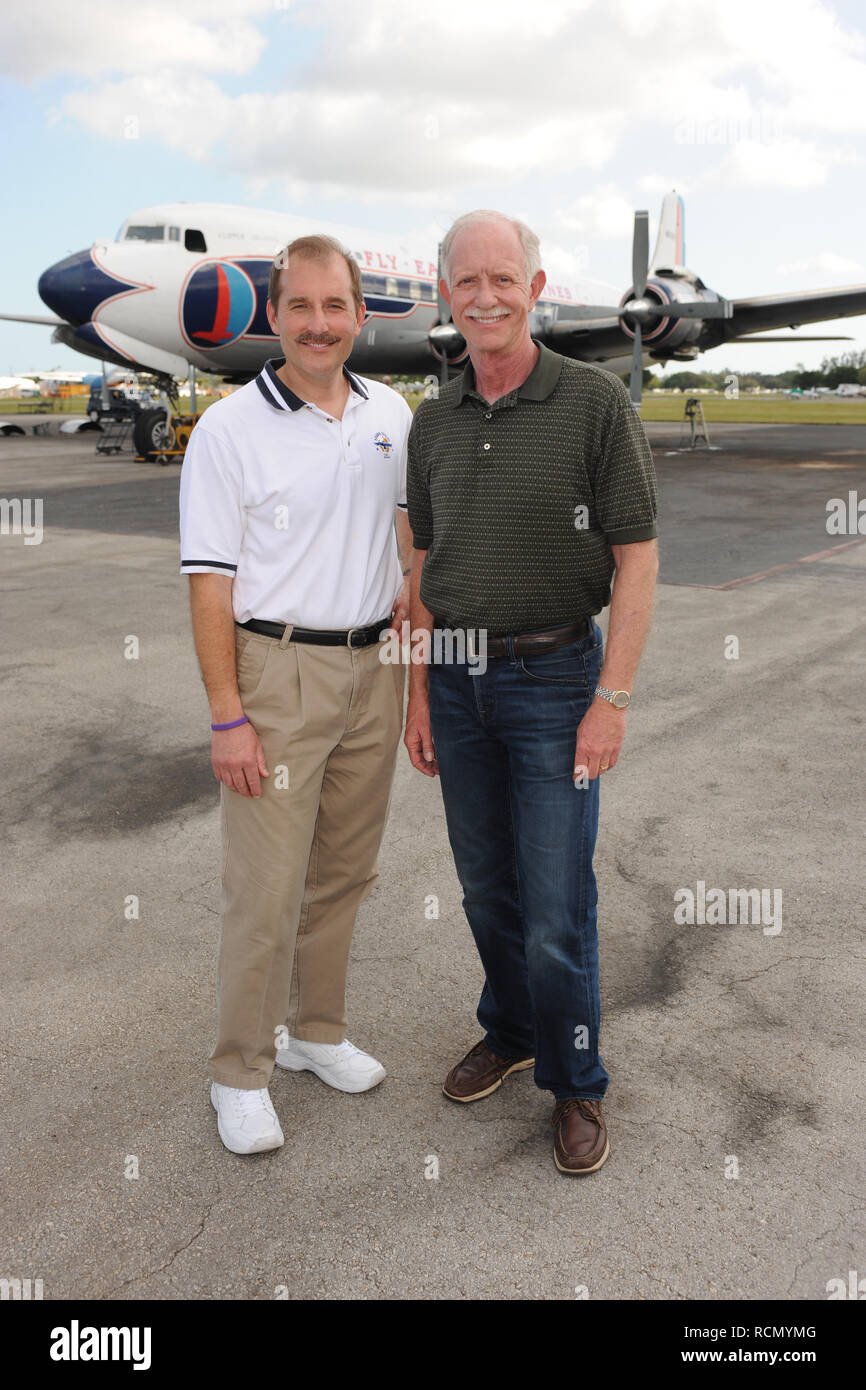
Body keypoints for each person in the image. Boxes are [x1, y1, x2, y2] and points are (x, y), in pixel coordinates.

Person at [405, 210, 658, 1174]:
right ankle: (511, 1031)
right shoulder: (434, 418)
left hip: (557, 678)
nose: (485, 297)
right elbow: (424, 560)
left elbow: (636, 557)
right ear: (446, 296)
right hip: (456, 680)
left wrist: (613, 696)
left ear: (535, 290)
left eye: (503, 279)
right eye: (466, 281)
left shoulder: (593, 401)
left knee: (557, 902)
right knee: (484, 889)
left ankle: (577, 1082)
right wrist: (419, 697)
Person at [179, 235, 412, 1155]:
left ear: (360, 314)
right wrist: (228, 715)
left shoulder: (391, 411)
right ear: (275, 317)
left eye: (336, 306)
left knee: (346, 872)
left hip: (372, 669)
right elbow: (208, 585)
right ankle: (238, 1069)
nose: (319, 324)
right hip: (276, 672)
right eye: (301, 306)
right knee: (266, 887)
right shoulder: (230, 429)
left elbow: (405, 537)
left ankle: (316, 1033)